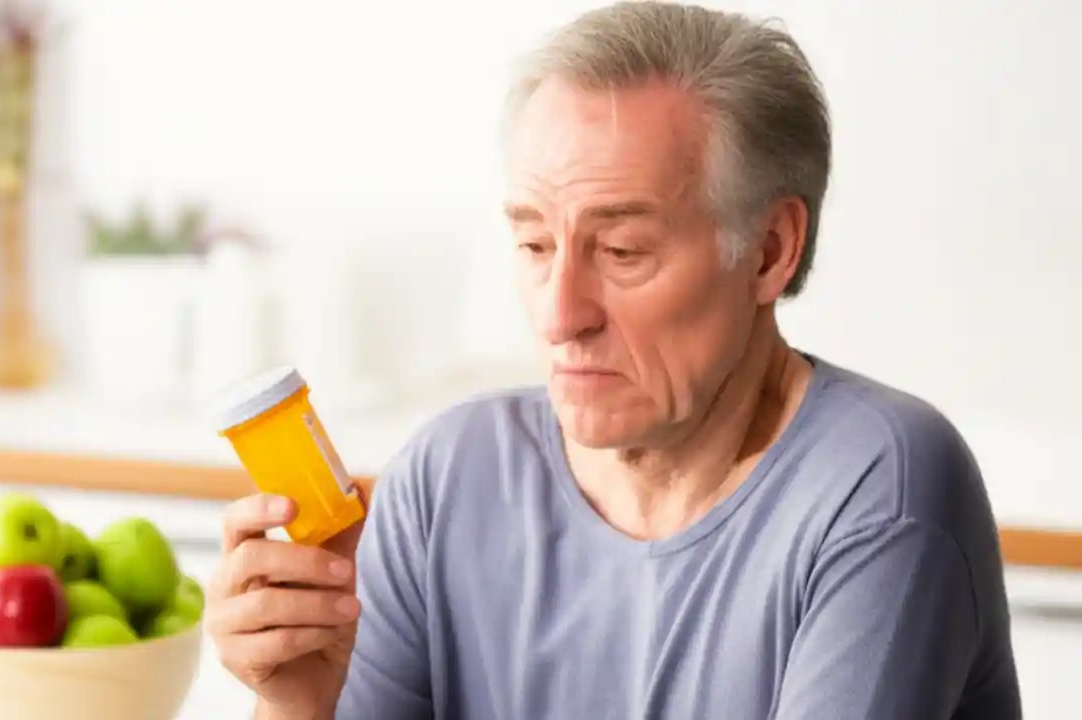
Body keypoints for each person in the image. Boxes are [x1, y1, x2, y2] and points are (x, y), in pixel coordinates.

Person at [208, 2, 1022, 718]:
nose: (561, 316)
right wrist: (295, 704)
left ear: (770, 250)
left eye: (624, 251)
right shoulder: (446, 483)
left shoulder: (881, 489)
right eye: (533, 243)